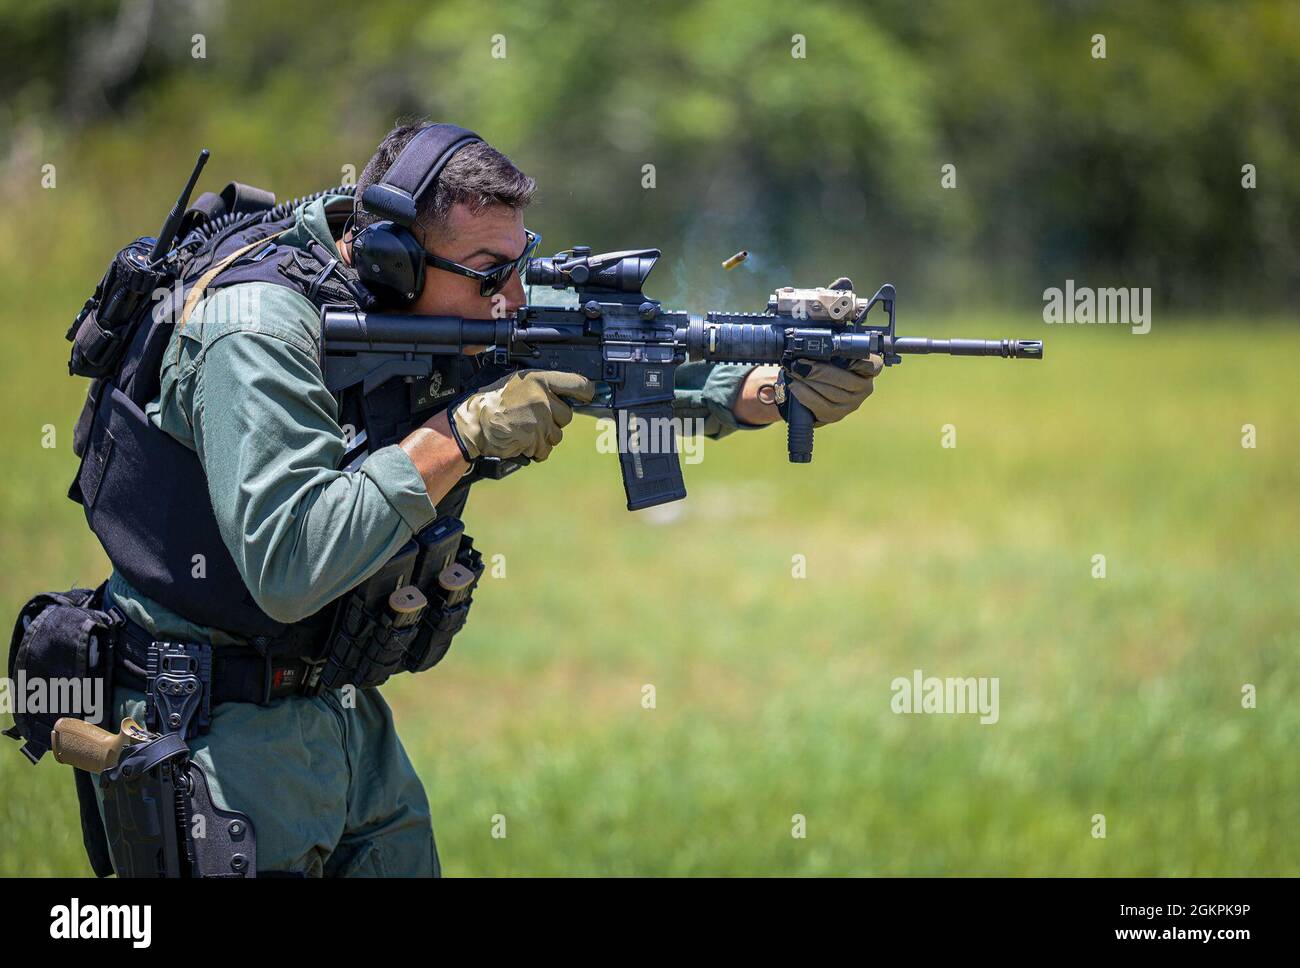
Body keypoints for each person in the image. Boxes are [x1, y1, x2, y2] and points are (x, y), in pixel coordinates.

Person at [87, 120, 883, 876]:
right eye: (488, 273)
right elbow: (290, 563)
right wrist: (459, 435)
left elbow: (609, 353)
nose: (512, 294)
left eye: (519, 260)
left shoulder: (453, 294)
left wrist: (764, 387)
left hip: (335, 703)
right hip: (208, 718)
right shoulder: (254, 331)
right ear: (393, 260)